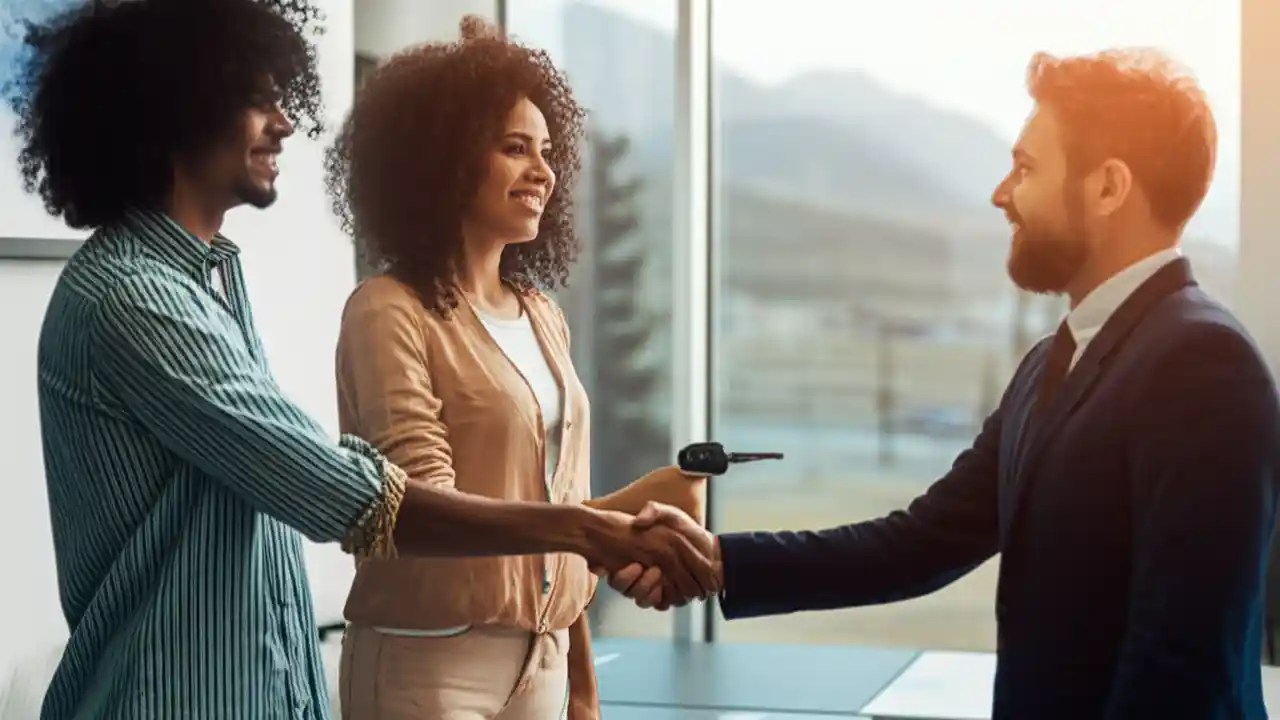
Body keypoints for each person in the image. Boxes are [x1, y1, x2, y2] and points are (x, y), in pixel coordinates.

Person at [10, 2, 717, 718]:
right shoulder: (137, 299)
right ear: (175, 108)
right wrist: (596, 528)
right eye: (255, 100)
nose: (284, 122)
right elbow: (344, 495)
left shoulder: (209, 281)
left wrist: (590, 592)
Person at [605, 48, 1280, 719]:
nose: (1001, 194)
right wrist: (718, 559)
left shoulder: (1203, 365)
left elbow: (1185, 668)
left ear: (1108, 187)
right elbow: (916, 544)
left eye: (1025, 168)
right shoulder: (1052, 361)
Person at [323, 17, 710, 720]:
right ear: (446, 160)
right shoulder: (387, 312)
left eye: (547, 151)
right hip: (429, 662)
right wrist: (600, 526)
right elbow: (418, 511)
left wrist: (584, 688)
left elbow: (553, 529)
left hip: (545, 660)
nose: (544, 171)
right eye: (514, 149)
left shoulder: (541, 314)